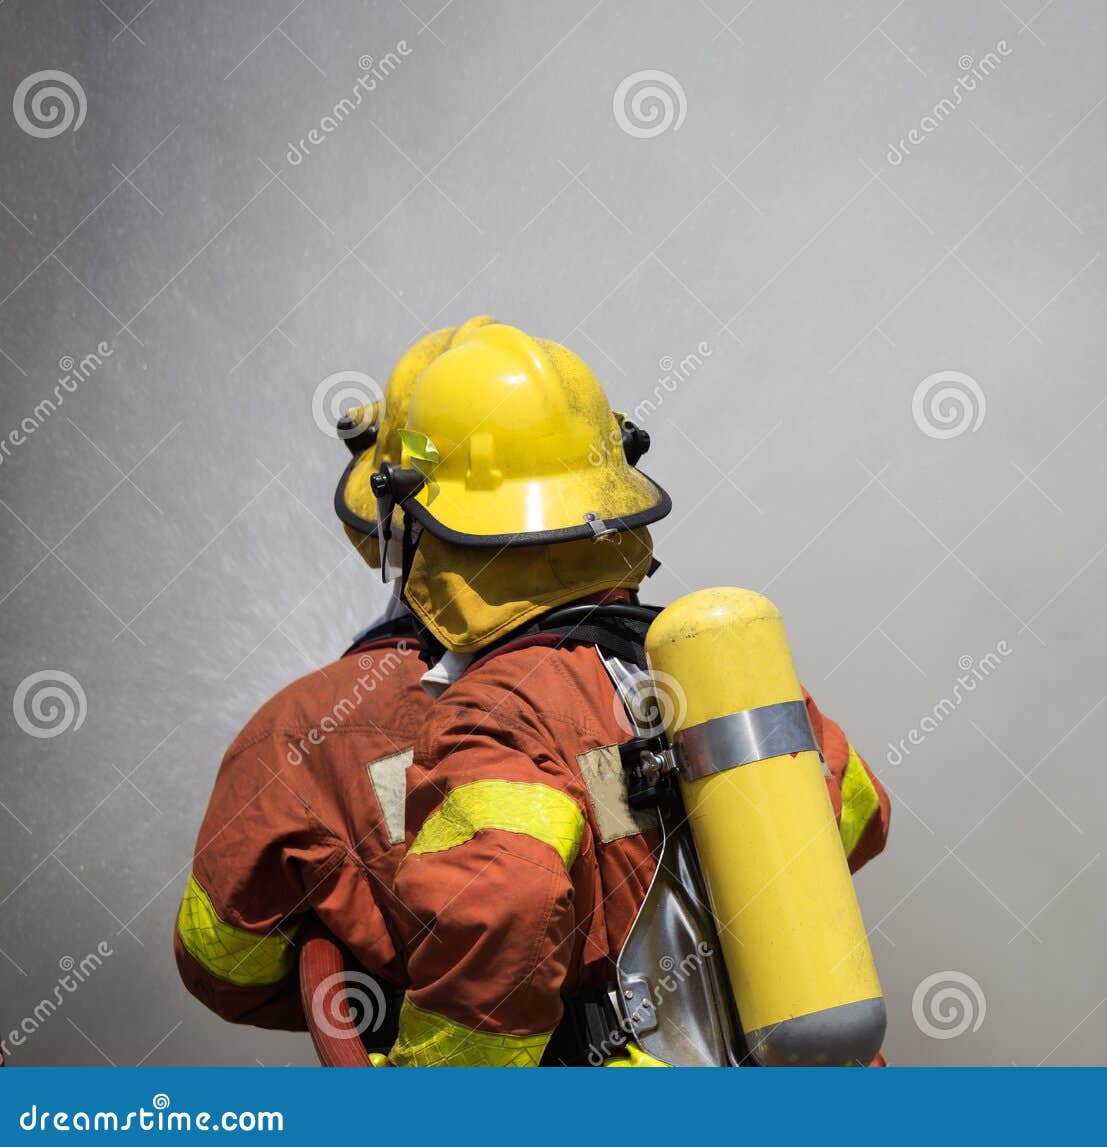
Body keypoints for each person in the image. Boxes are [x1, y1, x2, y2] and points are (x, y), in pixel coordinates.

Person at [368, 322, 890, 1066]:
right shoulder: (718, 664)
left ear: (422, 522)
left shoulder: (495, 716)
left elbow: (501, 906)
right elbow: (861, 814)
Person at [173, 317, 496, 1034]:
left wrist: (356, 957)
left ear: (393, 516)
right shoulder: (679, 674)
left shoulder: (302, 734)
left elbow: (220, 963)